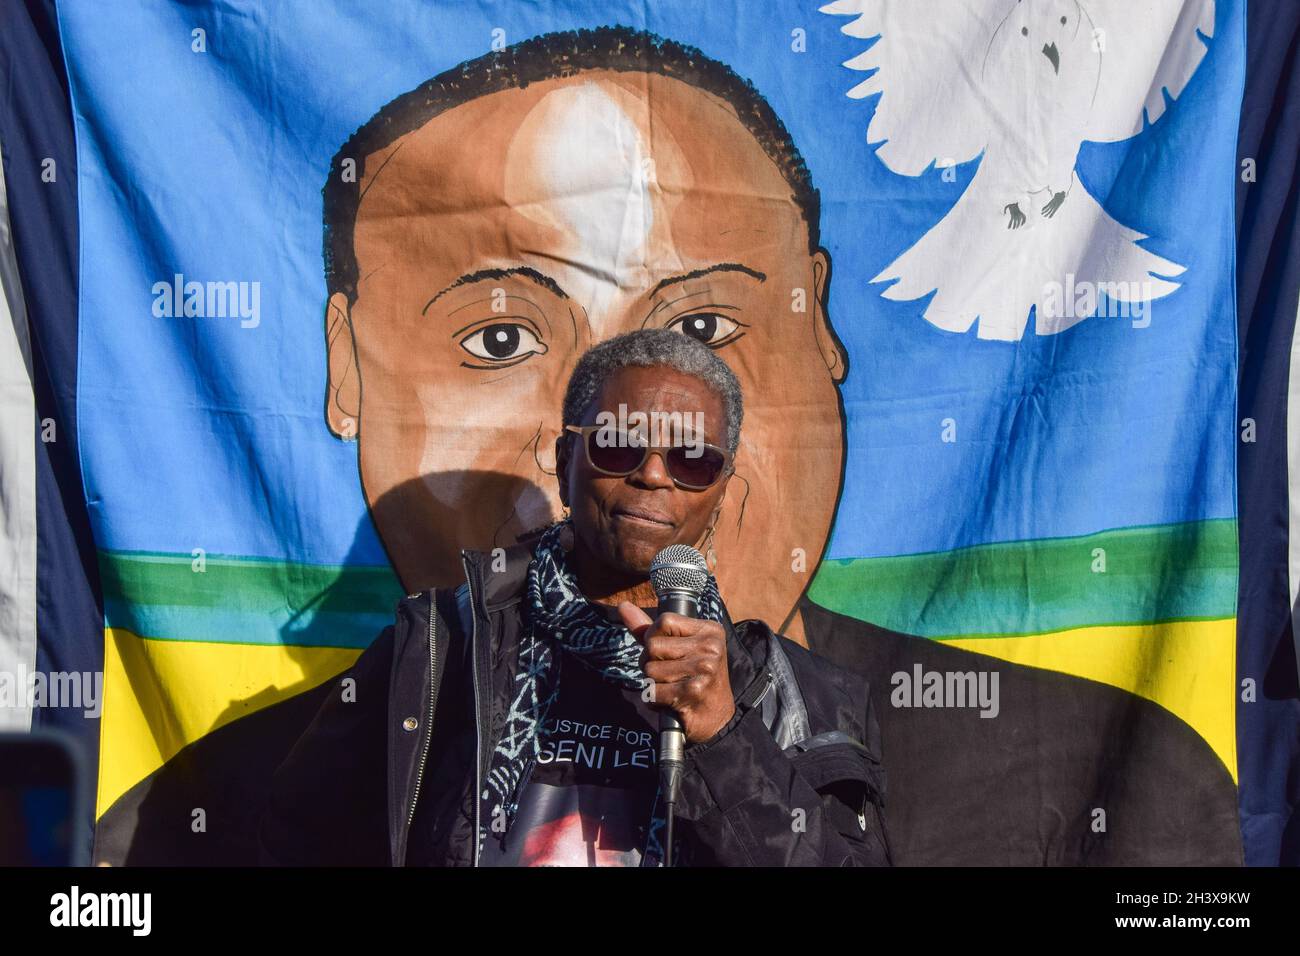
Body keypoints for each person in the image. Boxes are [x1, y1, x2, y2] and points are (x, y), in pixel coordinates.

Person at [98, 25, 1241, 866]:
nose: (650, 477)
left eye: (704, 328)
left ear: (816, 333)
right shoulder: (423, 671)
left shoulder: (827, 703)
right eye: (501, 334)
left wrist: (723, 732)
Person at [260, 329, 892, 866]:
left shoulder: (793, 693)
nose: (652, 474)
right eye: (619, 443)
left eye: (691, 460)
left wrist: (725, 734)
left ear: (720, 493)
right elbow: (293, 837)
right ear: (566, 461)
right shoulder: (439, 644)